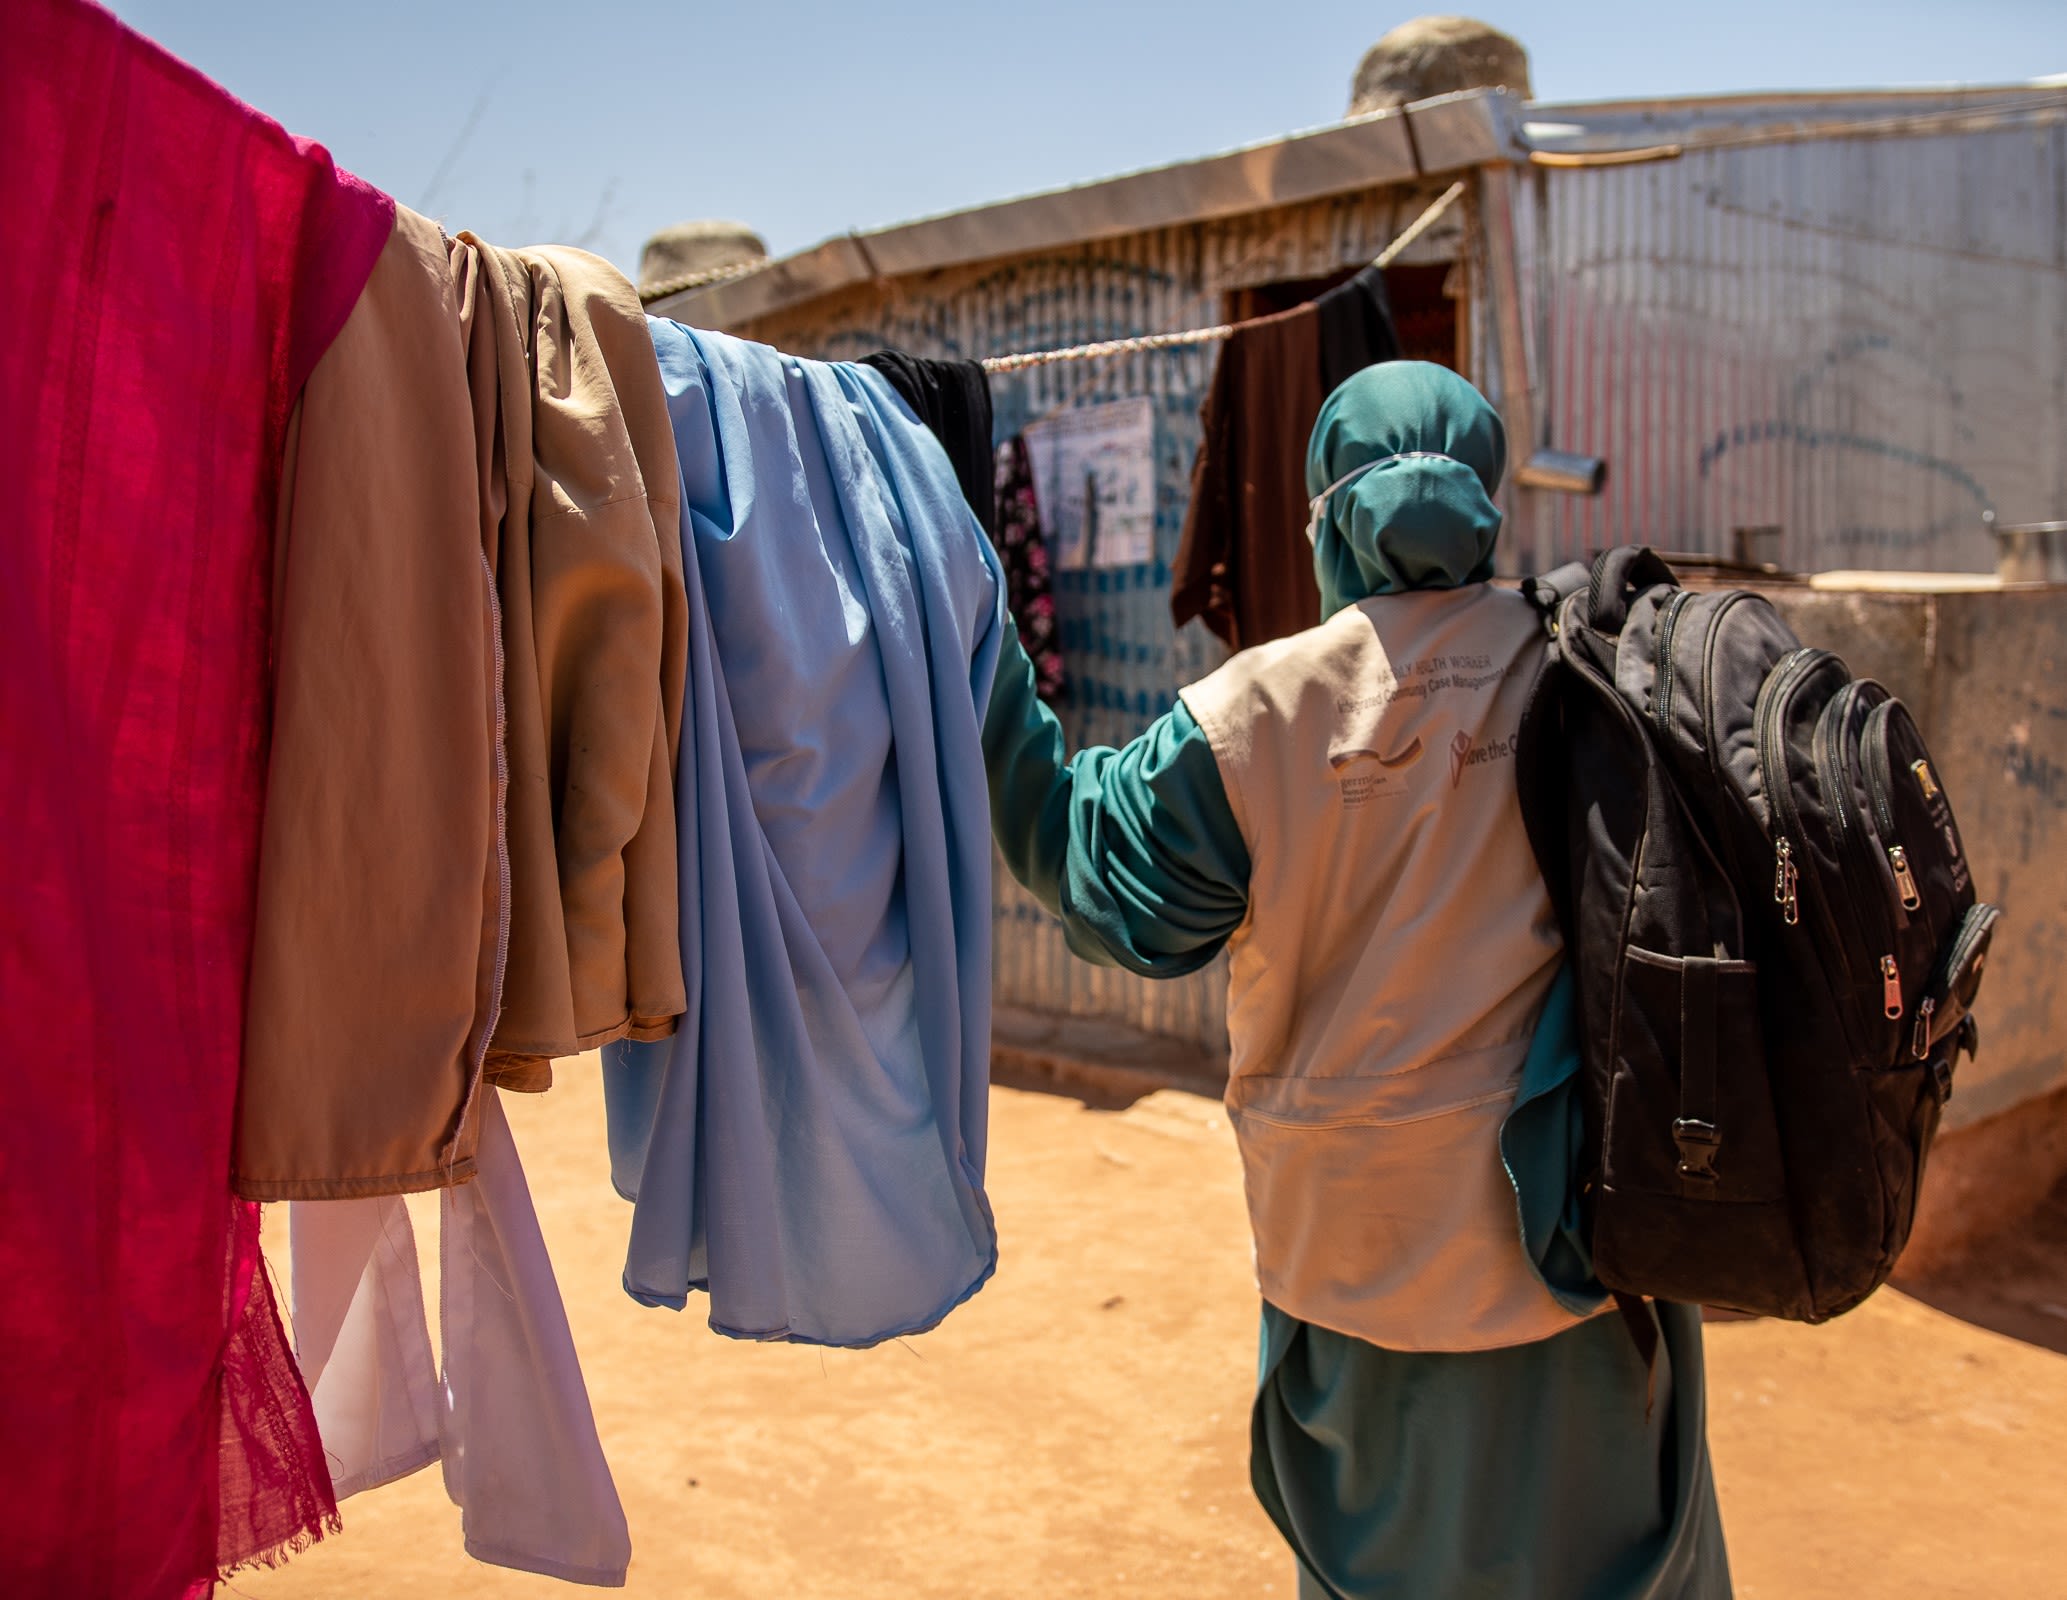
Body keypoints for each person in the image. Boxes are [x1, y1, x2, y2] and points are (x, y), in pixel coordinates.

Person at [982, 361, 1732, 1598]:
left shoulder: (1252, 712)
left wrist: (978, 654)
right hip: (1587, 1252)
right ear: (1485, 502)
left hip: (1350, 1258)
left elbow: (1096, 871)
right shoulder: (1596, 670)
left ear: (1326, 519)